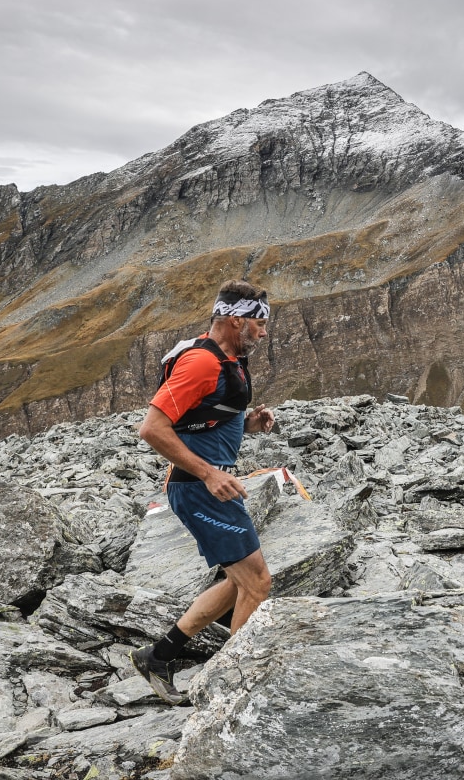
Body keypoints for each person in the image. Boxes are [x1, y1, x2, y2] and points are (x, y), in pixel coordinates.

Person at [130, 280, 276, 704]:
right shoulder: (200, 362)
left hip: (210, 485)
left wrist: (247, 423)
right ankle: (233, 691)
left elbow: (202, 418)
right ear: (235, 320)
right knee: (258, 583)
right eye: (259, 324)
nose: (264, 334)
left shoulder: (229, 357)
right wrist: (211, 474)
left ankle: (158, 656)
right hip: (200, 489)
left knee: (239, 583)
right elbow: (152, 429)